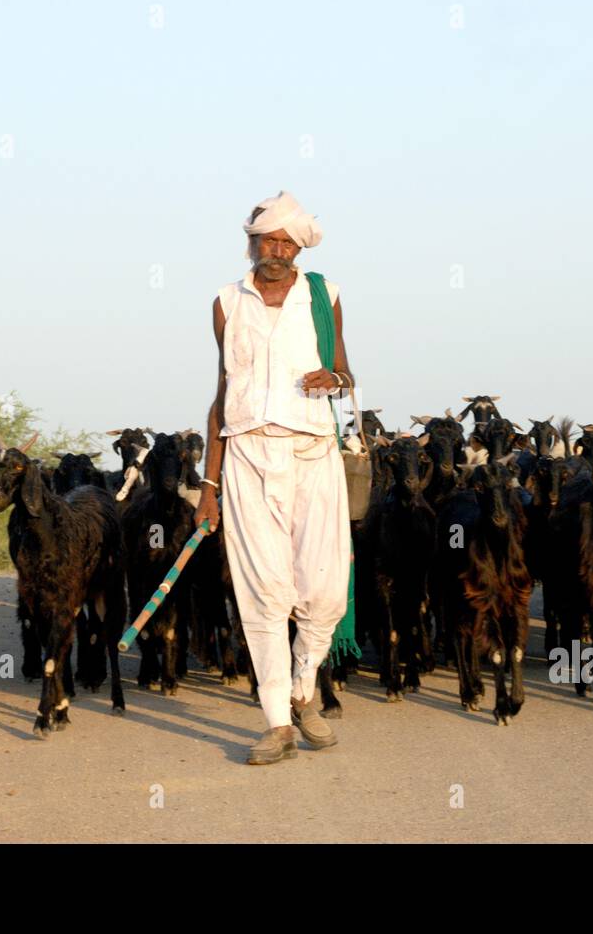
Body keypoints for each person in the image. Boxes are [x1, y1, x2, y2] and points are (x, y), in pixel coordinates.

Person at [193, 190, 355, 765]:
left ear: (298, 247)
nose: (278, 249)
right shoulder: (224, 302)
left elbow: (346, 372)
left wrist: (330, 379)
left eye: (288, 241)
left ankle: (303, 685)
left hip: (313, 452)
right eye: (269, 239)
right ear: (252, 243)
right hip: (246, 456)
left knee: (326, 592)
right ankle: (277, 723)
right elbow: (220, 392)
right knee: (263, 594)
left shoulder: (322, 295)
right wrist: (207, 488)